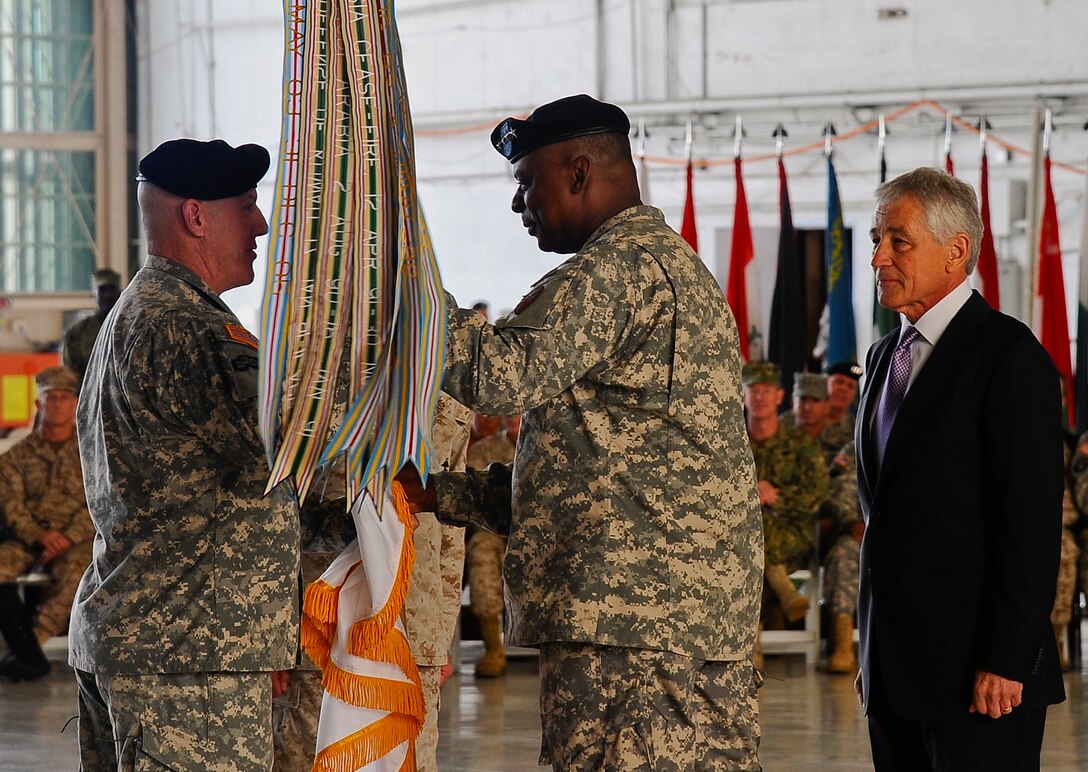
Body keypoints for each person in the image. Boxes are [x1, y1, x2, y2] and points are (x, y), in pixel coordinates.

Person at [400, 94, 763, 770]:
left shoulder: (615, 269)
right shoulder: (671, 267)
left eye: (526, 182)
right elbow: (596, 478)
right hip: (680, 628)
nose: (519, 205)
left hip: (627, 634)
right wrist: (441, 495)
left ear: (578, 170)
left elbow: (501, 375)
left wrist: (402, 292)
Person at [70, 138, 300, 770]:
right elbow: (290, 449)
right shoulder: (191, 328)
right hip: (184, 663)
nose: (260, 224)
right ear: (196, 217)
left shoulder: (139, 315)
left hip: (150, 642)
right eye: (247, 206)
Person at [856, 167, 1065, 769]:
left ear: (957, 252)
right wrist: (872, 654)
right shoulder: (880, 358)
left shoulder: (1009, 356)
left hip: (982, 682)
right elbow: (885, 517)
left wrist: (1006, 658)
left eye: (899, 240)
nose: (878, 258)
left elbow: (1027, 528)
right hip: (895, 675)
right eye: (876, 239)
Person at [272, 394, 472, 772]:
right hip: (326, 635)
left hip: (415, 635)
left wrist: (441, 634)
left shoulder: (443, 389)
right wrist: (273, 640)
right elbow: (272, 517)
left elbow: (450, 530)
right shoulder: (310, 379)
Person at [0, 365, 91, 681]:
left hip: (77, 541)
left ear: (75, 403)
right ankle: (24, 651)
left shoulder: (91, 453)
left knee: (78, 569)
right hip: (28, 540)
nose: (57, 405)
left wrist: (66, 537)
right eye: (51, 398)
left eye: (64, 398)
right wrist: (39, 534)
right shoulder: (15, 457)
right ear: (39, 404)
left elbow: (98, 502)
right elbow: (11, 506)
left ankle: (31, 649)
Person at [742, 360, 829, 663]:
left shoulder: (800, 444)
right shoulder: (732, 444)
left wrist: (774, 498)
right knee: (747, 543)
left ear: (779, 396)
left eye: (767, 390)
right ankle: (784, 592)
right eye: (753, 390)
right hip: (741, 538)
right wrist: (752, 492)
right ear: (743, 396)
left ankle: (750, 645)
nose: (760, 397)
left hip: (791, 538)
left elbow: (815, 494)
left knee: (749, 546)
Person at [464, 412, 519, 678]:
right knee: (481, 547)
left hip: (539, 532)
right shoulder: (486, 449)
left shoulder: (548, 442)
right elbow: (472, 496)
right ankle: (494, 648)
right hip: (495, 530)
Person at [61, 268, 123, 382]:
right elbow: (69, 375)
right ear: (94, 294)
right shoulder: (78, 332)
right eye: (102, 290)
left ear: (120, 292)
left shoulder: (133, 327)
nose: (108, 295)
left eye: (112, 290)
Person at [823, 360, 862, 450]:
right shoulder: (804, 420)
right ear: (824, 384)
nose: (844, 389)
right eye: (839, 382)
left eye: (850, 386)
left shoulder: (856, 430)